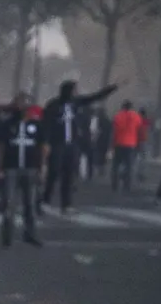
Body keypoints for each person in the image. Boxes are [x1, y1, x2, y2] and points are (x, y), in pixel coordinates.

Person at [40, 80, 117, 213]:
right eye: (74, 90)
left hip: (72, 144)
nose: (77, 92)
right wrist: (45, 142)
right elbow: (46, 125)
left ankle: (66, 204)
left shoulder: (76, 103)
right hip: (57, 143)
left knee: (69, 175)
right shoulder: (53, 105)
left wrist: (113, 87)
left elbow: (95, 97)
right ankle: (45, 199)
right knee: (54, 172)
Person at [0, 92, 45, 247]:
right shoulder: (6, 125)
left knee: (30, 203)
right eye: (18, 104)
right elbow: (1, 147)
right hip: (11, 168)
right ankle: (7, 236)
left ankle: (30, 233)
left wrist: (42, 168)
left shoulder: (37, 125)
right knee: (9, 202)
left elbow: (42, 148)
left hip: (30, 168)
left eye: (24, 104)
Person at [110, 101, 144, 193]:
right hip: (131, 144)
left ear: (122, 107)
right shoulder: (137, 117)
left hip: (118, 144)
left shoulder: (117, 116)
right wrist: (139, 143)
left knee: (115, 166)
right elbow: (139, 131)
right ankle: (127, 186)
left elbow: (114, 131)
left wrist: (112, 145)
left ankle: (114, 185)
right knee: (129, 166)